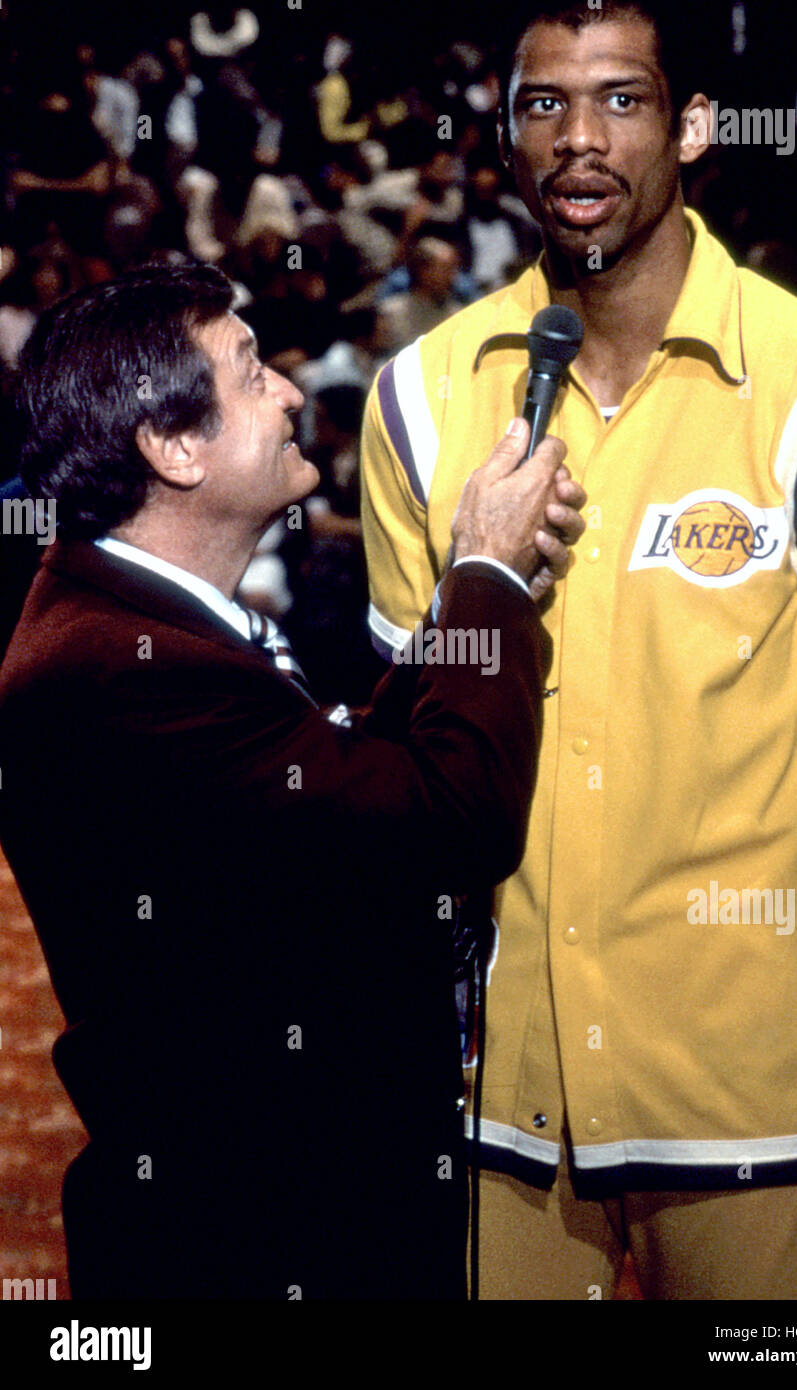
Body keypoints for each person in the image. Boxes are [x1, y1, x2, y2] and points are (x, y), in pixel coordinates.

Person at [359, 0, 797, 1300]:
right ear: (505, 132)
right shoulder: (421, 398)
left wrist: (746, 957)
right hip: (502, 1085)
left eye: (620, 99)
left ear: (694, 125)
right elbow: (407, 743)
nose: (577, 139)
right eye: (543, 104)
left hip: (740, 1082)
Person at [0, 261, 586, 1299]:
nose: (284, 392)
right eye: (249, 370)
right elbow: (446, 821)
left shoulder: (124, 627)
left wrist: (468, 581)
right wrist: (490, 574)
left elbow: (350, 778)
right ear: (172, 447)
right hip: (260, 1236)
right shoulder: (119, 669)